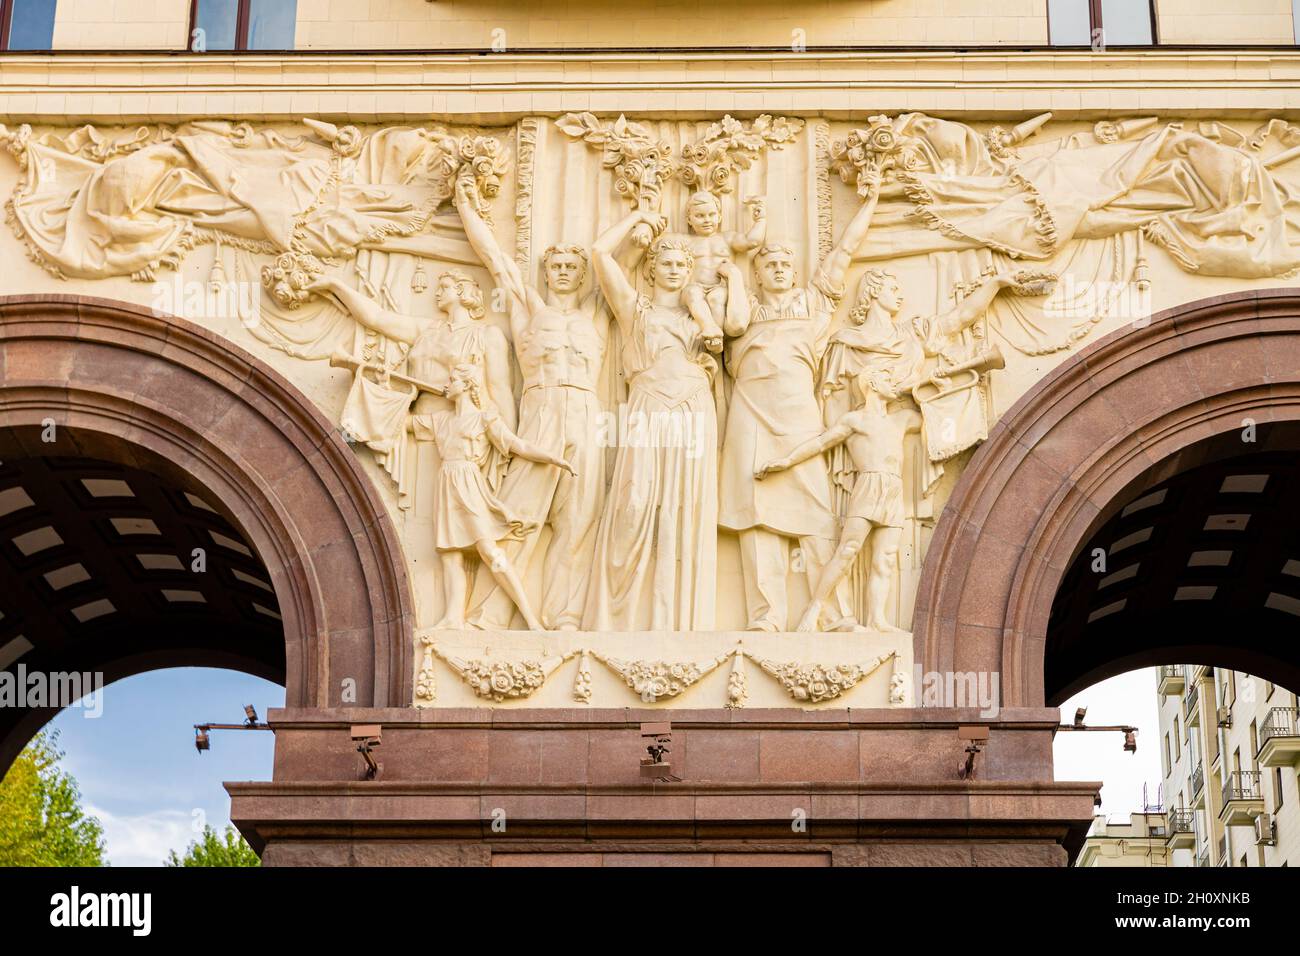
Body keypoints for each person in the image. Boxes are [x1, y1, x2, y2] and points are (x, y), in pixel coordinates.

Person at [450, 171, 609, 630]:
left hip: (585, 411)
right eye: (555, 266)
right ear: (546, 272)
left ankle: (565, 616)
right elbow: (496, 260)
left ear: (582, 277)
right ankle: (490, 615)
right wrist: (466, 206)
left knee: (578, 522)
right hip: (540, 410)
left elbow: (620, 262)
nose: (563, 272)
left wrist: (644, 212)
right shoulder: (527, 309)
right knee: (518, 517)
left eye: (571, 268)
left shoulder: (594, 315)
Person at [582, 209, 734, 631]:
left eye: (682, 265)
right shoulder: (635, 310)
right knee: (635, 503)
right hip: (648, 406)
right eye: (665, 263)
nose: (673, 270)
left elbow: (730, 329)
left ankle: (679, 622)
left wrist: (705, 309)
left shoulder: (698, 318)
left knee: (686, 509)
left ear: (689, 272)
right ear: (650, 269)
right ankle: (621, 619)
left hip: (692, 407)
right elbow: (599, 254)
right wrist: (637, 215)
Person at [756, 371, 921, 633]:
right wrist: (787, 461)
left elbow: (935, 411)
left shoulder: (902, 419)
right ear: (873, 384)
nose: (894, 382)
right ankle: (815, 608)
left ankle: (877, 619)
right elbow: (822, 443)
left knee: (886, 558)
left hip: (893, 489)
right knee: (848, 551)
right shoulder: (855, 421)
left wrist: (931, 381)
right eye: (888, 378)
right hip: (869, 485)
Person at [424, 364, 575, 631]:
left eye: (453, 380)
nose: (447, 384)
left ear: (468, 385)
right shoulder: (442, 420)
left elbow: (518, 445)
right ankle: (452, 617)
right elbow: (406, 424)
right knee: (451, 555)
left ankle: (529, 618)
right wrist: (391, 384)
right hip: (446, 485)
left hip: (469, 486)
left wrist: (553, 458)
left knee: (490, 552)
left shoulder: (485, 419)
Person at [680, 190, 766, 352]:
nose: (707, 220)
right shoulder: (685, 242)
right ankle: (710, 327)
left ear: (719, 217)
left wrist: (761, 219)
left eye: (711, 215)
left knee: (717, 297)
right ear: (689, 220)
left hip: (720, 287)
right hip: (696, 287)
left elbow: (752, 241)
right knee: (692, 293)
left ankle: (715, 338)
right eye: (700, 216)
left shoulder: (726, 238)